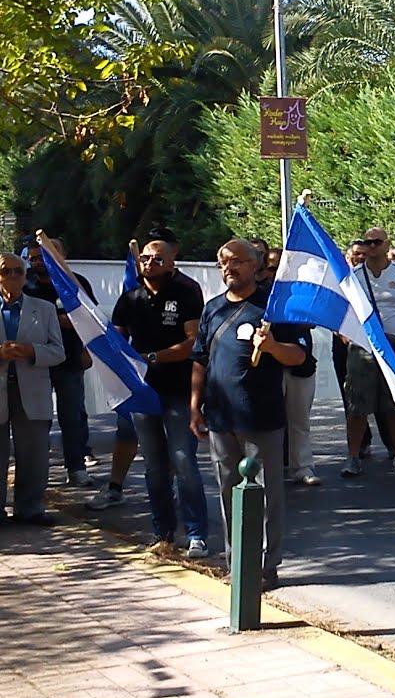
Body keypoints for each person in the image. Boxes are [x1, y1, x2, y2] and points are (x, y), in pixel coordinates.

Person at [189, 239, 304, 589]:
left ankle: (266, 566)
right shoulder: (212, 309)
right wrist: (194, 405)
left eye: (236, 261)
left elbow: (299, 356)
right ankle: (237, 562)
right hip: (220, 418)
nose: (229, 268)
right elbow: (200, 360)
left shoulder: (274, 308)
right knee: (228, 493)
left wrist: (272, 347)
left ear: (255, 265)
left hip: (262, 418)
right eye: (223, 262)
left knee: (266, 496)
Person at [112, 238, 210, 558]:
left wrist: (152, 357)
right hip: (143, 393)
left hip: (178, 389)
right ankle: (162, 533)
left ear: (171, 262)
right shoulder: (130, 298)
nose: (149, 263)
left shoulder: (186, 292)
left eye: (157, 258)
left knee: (183, 461)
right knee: (154, 466)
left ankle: (196, 534)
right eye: (144, 258)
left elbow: (193, 343)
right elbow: (115, 340)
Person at [0, 252, 66, 529]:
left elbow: (58, 352)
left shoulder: (45, 309)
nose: (14, 276)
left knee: (34, 454)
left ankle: (30, 509)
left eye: (19, 271)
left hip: (32, 391)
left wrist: (31, 351)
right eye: (7, 271)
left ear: (26, 276)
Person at [340, 227, 395, 478]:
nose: (371, 247)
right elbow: (344, 310)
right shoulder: (354, 277)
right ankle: (353, 457)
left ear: (387, 244)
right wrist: (347, 336)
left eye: (377, 242)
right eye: (367, 242)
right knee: (357, 406)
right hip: (363, 348)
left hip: (393, 347)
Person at [25, 237, 95, 487]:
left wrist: (87, 348)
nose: (37, 262)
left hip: (70, 359)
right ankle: (36, 471)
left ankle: (76, 467)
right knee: (36, 419)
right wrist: (58, 320)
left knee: (72, 416)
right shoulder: (25, 284)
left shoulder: (75, 282)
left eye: (42, 257)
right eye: (33, 258)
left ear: (59, 256)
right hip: (35, 362)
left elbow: (90, 319)